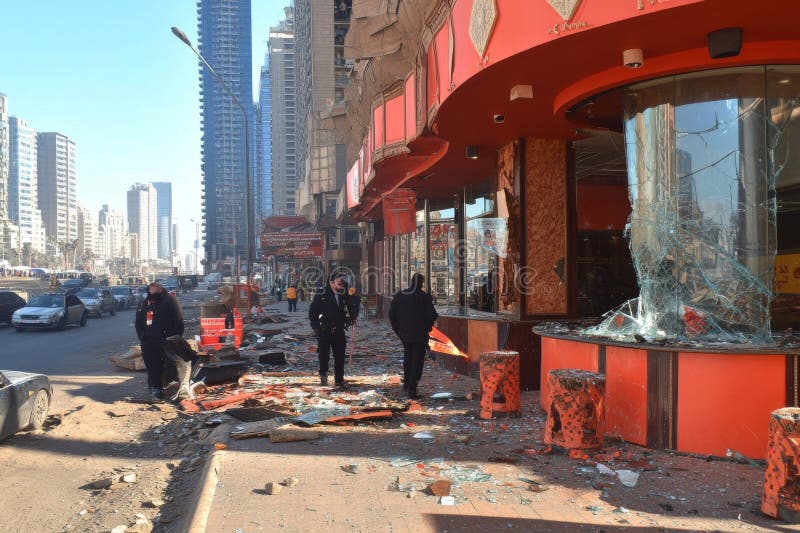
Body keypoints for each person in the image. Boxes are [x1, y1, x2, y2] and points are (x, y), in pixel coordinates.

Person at [389, 273, 438, 399]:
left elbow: (391, 314)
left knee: (408, 357)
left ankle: (406, 384)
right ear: (422, 283)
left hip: (405, 334)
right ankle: (412, 387)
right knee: (417, 360)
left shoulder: (400, 296)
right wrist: (427, 326)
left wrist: (398, 330)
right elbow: (432, 315)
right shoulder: (425, 297)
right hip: (420, 335)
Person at [135, 282, 185, 400]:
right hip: (149, 341)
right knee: (152, 367)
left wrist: (173, 338)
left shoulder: (169, 301)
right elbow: (140, 322)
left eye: (154, 289)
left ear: (159, 290)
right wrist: (142, 335)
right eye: (150, 289)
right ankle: (155, 389)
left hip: (166, 341)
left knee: (170, 365)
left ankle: (171, 389)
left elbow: (178, 321)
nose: (151, 291)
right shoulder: (145, 303)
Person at [309, 272, 358, 387]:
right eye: (339, 282)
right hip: (324, 330)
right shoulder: (322, 294)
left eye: (343, 282)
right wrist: (316, 327)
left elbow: (351, 307)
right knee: (324, 355)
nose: (342, 284)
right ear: (331, 282)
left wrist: (352, 317)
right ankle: (323, 375)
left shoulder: (343, 294)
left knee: (340, 355)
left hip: (339, 330)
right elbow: (312, 312)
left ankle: (339, 379)